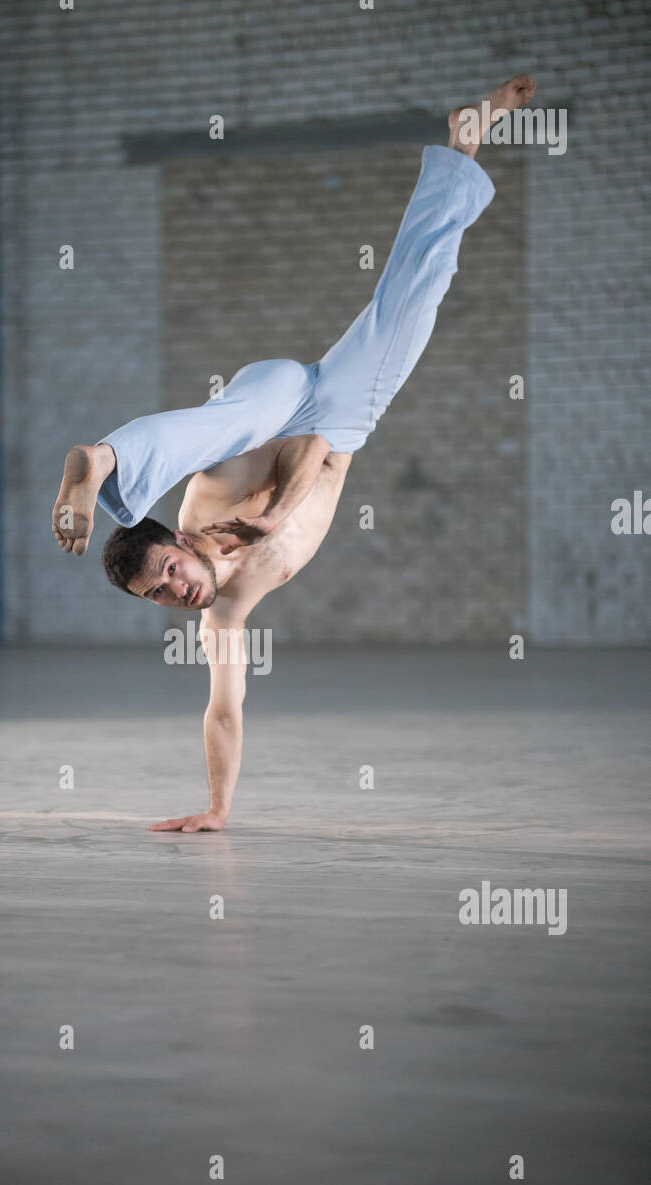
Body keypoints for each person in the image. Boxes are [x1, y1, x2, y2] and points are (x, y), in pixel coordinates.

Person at [52, 77, 536, 832]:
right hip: (349, 407)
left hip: (281, 408)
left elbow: (304, 441)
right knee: (417, 290)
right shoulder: (225, 613)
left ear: (179, 546)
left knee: (214, 430)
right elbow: (223, 712)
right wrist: (216, 808)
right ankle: (464, 138)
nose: (175, 594)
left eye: (169, 574)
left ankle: (106, 462)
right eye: (160, 597)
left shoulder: (204, 514)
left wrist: (273, 514)